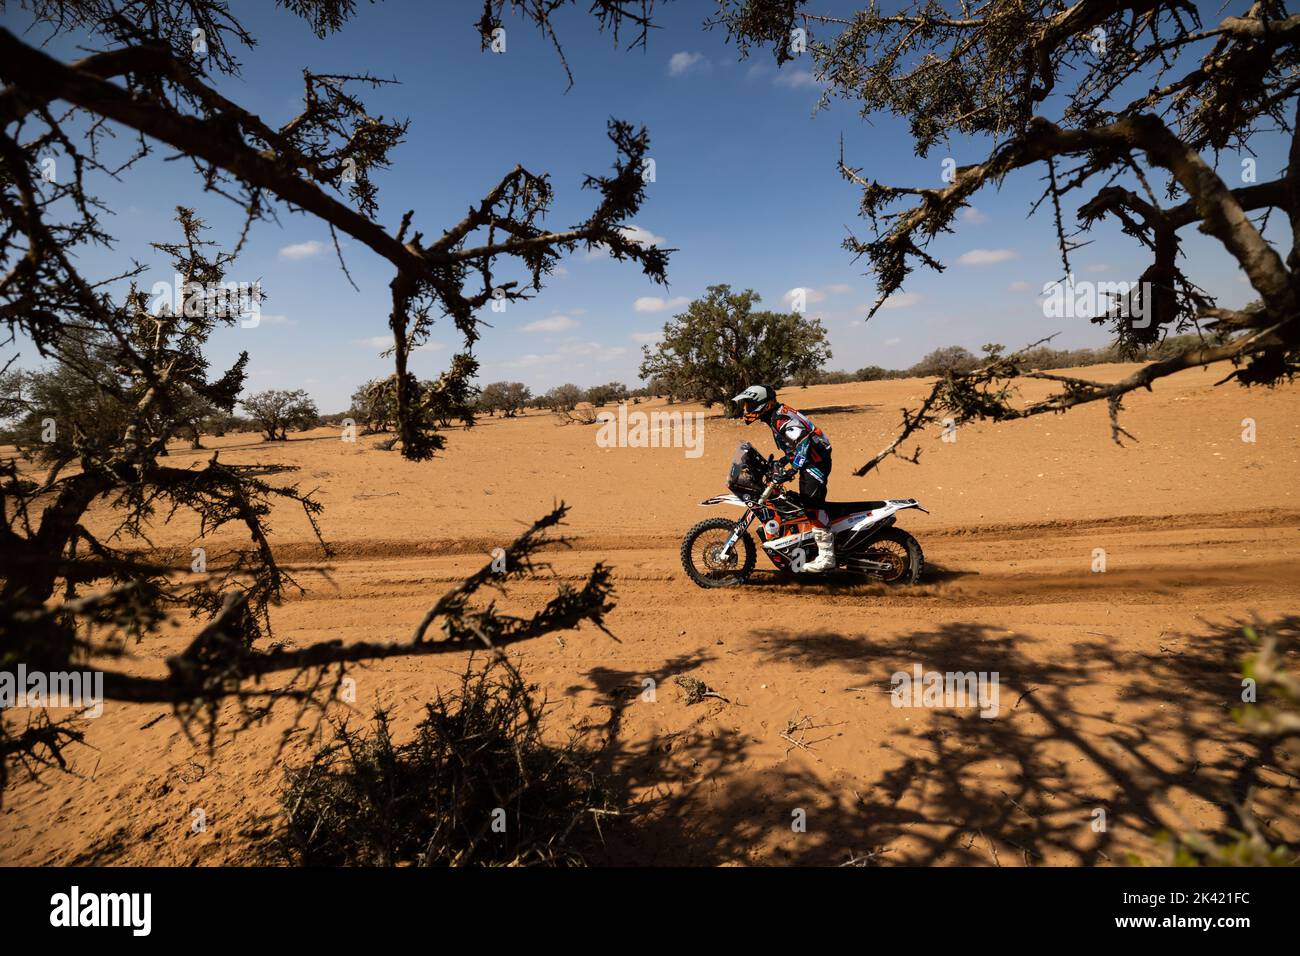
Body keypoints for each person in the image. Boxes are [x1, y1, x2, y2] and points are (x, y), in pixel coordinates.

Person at [731, 384, 835, 572]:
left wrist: (793, 469)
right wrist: (784, 461)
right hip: (812, 459)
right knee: (799, 502)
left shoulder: (779, 419)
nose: (746, 409)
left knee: (812, 504)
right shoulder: (776, 415)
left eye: (749, 405)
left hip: (815, 462)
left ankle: (827, 556)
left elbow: (803, 441)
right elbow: (795, 444)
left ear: (764, 404)